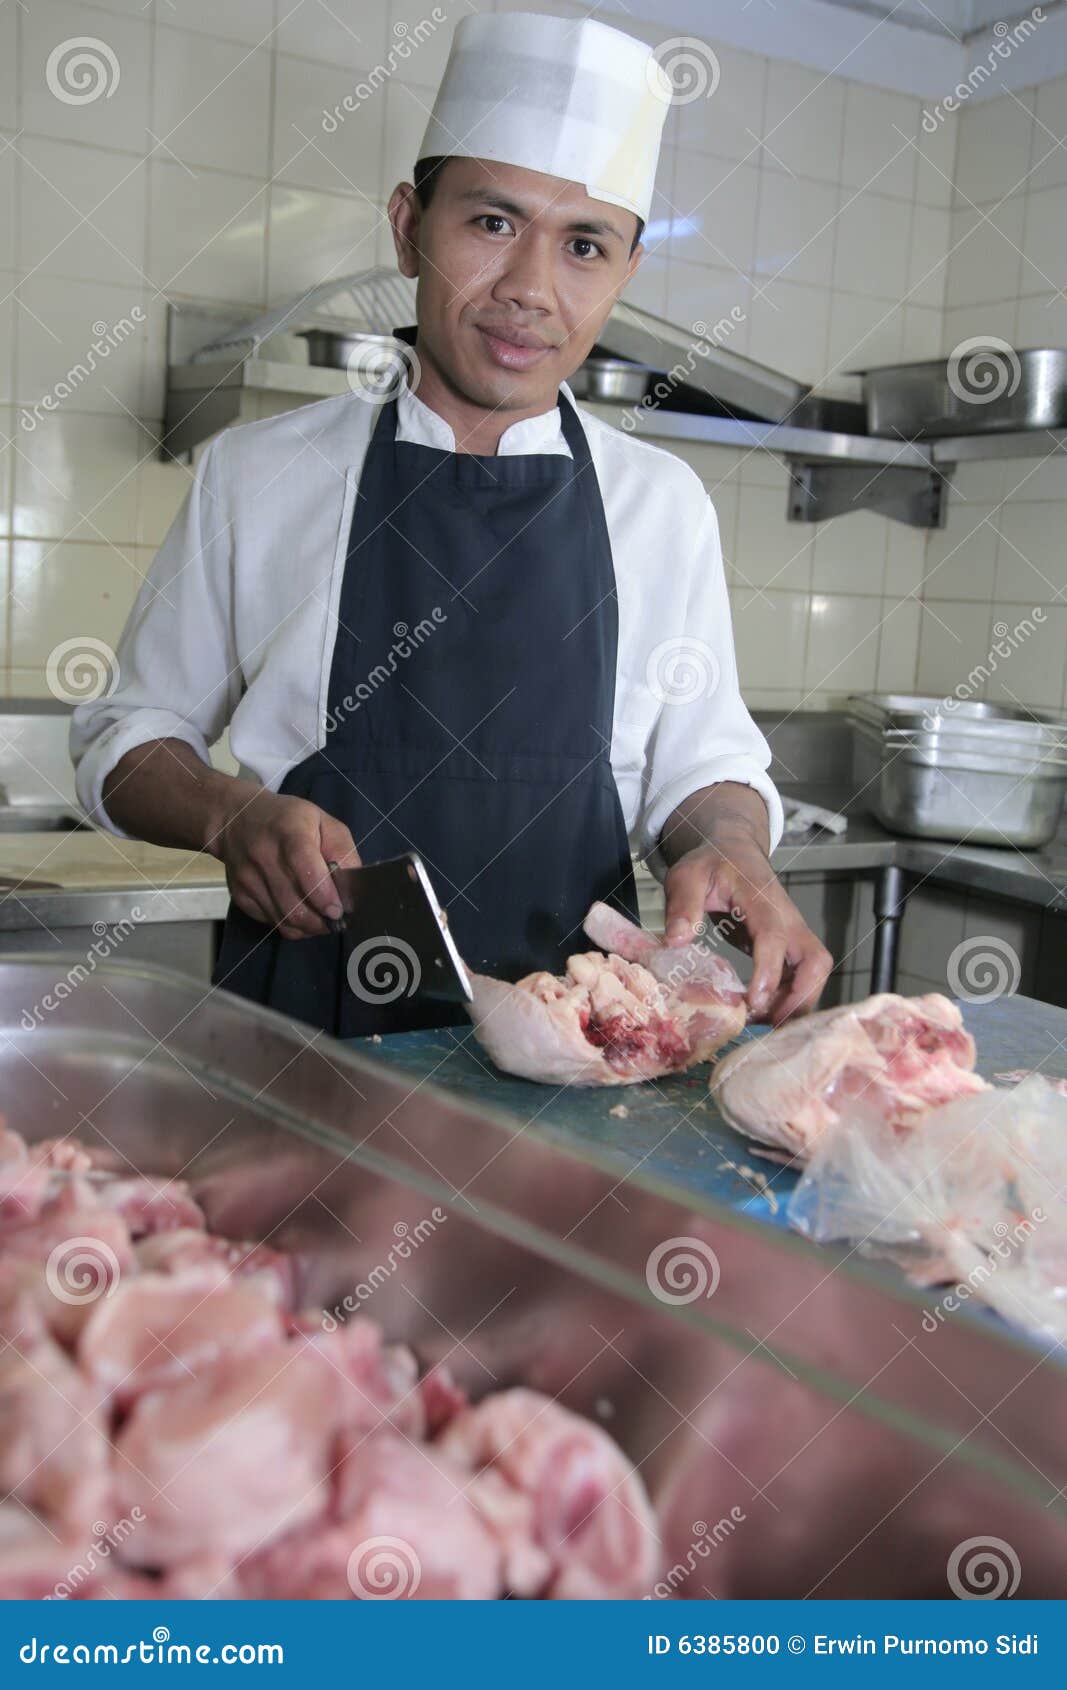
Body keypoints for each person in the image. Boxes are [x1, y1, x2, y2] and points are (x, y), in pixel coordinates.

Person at [71, 12, 833, 1037]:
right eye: (489, 222)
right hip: (301, 1031)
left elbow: (696, 773)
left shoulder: (661, 506)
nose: (528, 290)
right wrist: (229, 815)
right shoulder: (256, 475)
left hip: (578, 1043)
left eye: (582, 245)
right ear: (407, 224)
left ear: (623, 274)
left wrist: (731, 844)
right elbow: (126, 735)